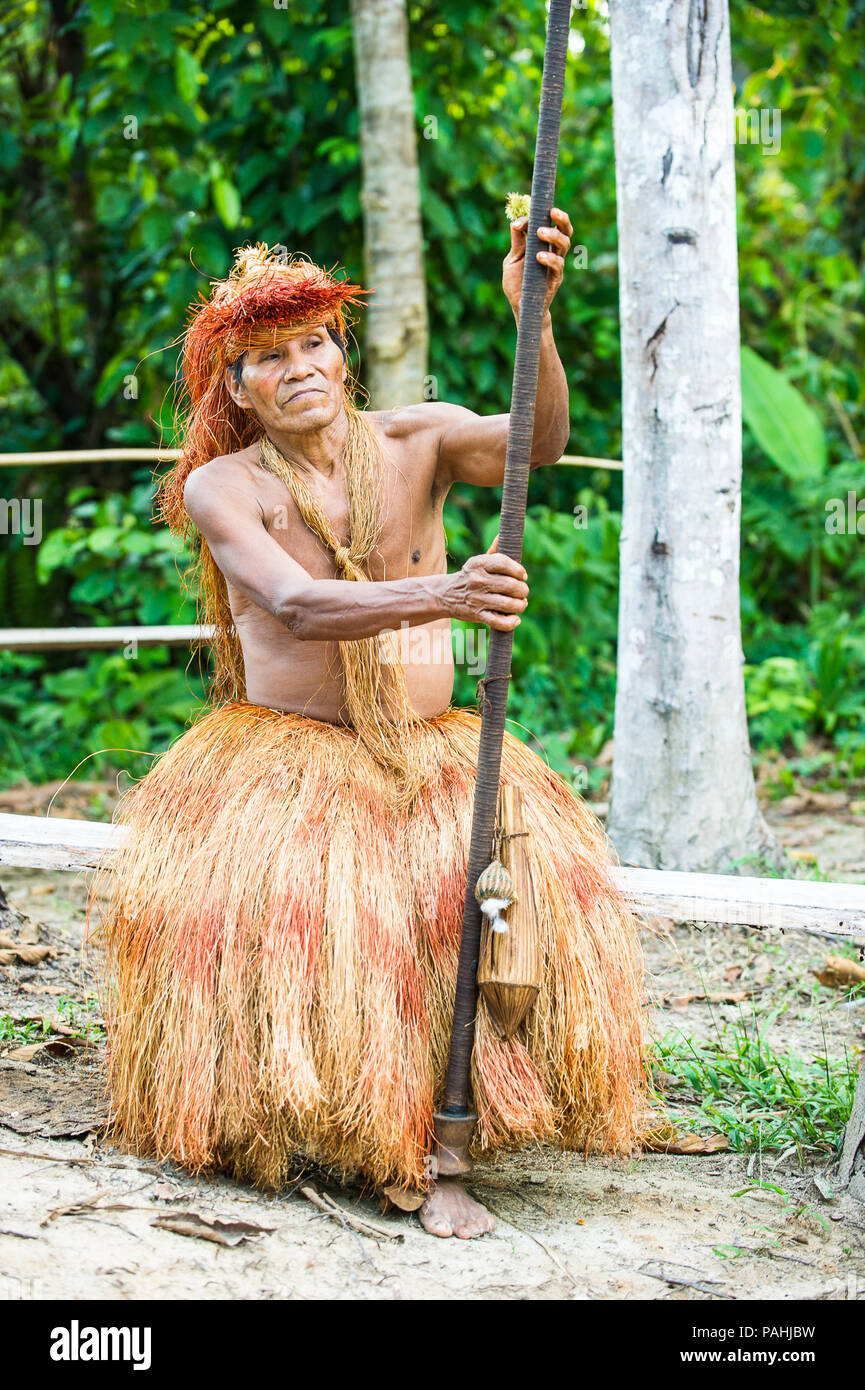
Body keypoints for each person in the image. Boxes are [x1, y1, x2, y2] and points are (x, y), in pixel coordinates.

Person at [92, 211, 646, 1240]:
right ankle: (339, 1127)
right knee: (343, 939)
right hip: (289, 761)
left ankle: (453, 1143)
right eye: (267, 357)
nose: (297, 367)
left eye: (313, 343)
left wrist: (536, 315)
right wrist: (450, 593)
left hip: (431, 750)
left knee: (468, 923)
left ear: (341, 354)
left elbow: (543, 443)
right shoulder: (224, 485)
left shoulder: (416, 438)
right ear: (238, 387)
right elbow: (298, 605)